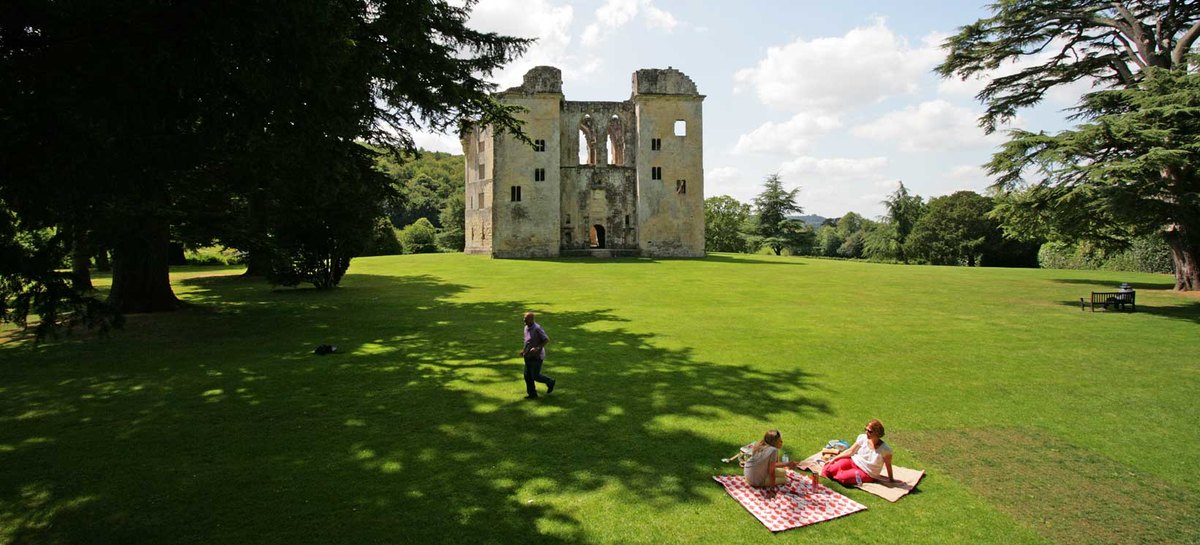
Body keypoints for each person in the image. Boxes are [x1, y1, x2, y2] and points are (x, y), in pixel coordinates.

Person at [821, 419, 894, 486]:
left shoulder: (885, 449)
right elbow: (850, 451)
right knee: (830, 468)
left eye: (870, 431)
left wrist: (891, 479)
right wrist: (834, 459)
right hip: (853, 461)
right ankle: (832, 472)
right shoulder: (863, 438)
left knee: (843, 478)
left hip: (867, 472)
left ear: (877, 433)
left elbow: (888, 465)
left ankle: (836, 475)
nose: (866, 432)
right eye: (866, 430)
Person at [743, 430, 811, 487]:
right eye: (780, 441)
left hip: (747, 473)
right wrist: (772, 489)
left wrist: (787, 464)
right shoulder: (773, 450)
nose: (782, 442)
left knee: (783, 472)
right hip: (756, 481)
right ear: (774, 442)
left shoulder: (760, 444)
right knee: (784, 480)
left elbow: (772, 464)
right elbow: (771, 471)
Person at [520, 312, 555, 399]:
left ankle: (550, 382)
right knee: (527, 376)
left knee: (535, 375)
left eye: (526, 319)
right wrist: (524, 351)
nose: (524, 320)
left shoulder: (537, 328)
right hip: (528, 355)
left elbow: (546, 339)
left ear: (532, 319)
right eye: (524, 318)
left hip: (537, 356)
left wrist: (537, 348)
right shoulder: (526, 327)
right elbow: (527, 341)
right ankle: (532, 394)